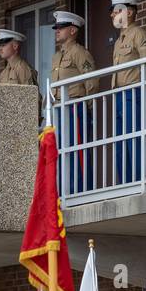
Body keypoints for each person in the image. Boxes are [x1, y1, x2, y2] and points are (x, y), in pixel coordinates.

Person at [51, 10, 98, 193]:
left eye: (61, 28)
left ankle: (80, 189)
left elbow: (91, 81)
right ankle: (64, 190)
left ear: (72, 30)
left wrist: (86, 106)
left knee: (76, 149)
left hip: (74, 106)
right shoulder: (57, 56)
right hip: (59, 108)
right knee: (61, 150)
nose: (57, 31)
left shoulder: (79, 52)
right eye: (57, 28)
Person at [108, 0, 146, 184]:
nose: (112, 15)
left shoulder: (138, 34)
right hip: (119, 94)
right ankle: (125, 182)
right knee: (121, 143)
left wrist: (138, 84)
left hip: (133, 92)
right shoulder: (119, 41)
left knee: (135, 139)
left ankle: (140, 179)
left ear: (130, 12)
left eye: (117, 11)